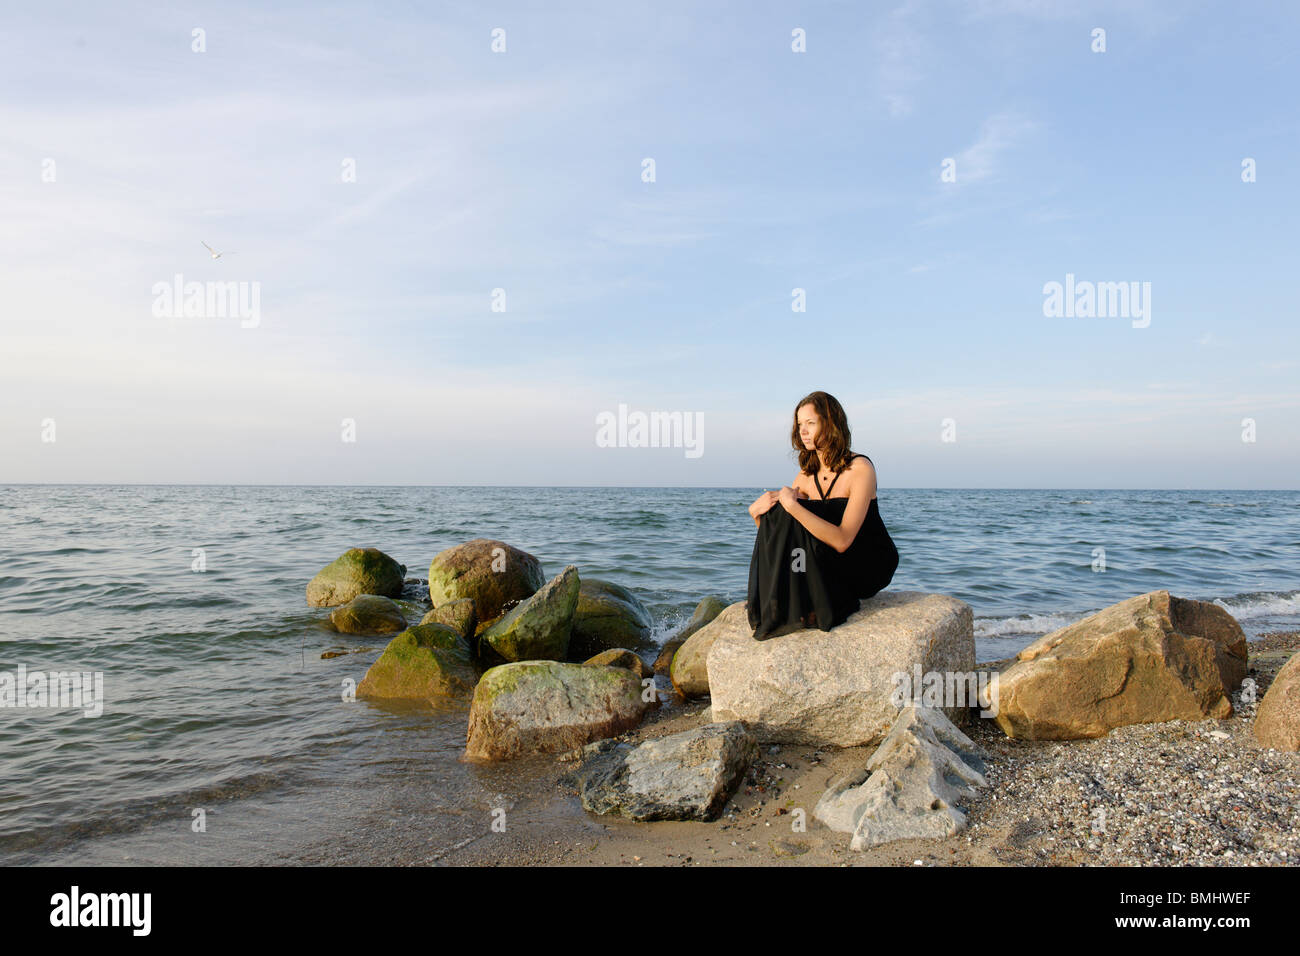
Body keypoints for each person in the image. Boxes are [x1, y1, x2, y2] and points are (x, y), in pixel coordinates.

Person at [745, 390, 899, 640]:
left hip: (867, 562)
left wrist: (793, 506)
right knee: (780, 511)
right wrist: (758, 515)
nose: (802, 431)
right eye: (799, 425)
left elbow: (842, 540)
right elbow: (786, 537)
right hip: (830, 564)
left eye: (810, 423)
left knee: (791, 506)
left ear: (830, 423)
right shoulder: (806, 476)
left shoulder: (859, 468)